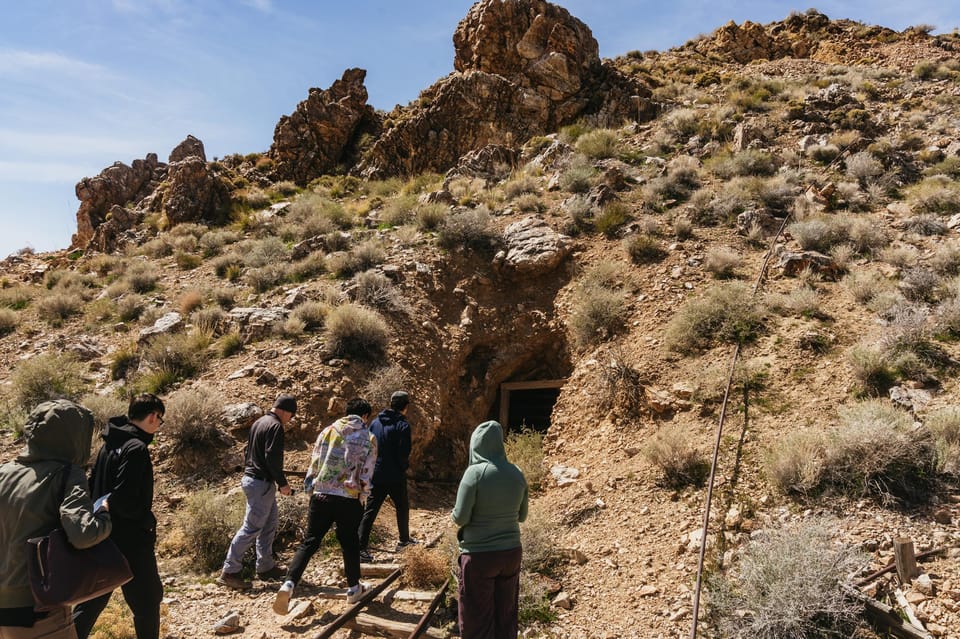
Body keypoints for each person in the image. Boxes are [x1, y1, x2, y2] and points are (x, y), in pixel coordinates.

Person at [0, 400, 113, 639]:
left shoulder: (4, 473)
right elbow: (83, 534)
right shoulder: (67, 474)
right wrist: (103, 514)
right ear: (75, 436)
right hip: (38, 605)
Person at [273, 398, 377, 614]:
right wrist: (363, 494)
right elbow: (367, 472)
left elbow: (315, 462)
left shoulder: (328, 430)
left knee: (310, 541)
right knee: (349, 543)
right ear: (365, 416)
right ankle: (354, 589)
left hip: (322, 496)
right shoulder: (369, 437)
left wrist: (311, 489)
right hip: (349, 498)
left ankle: (289, 584)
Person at [74, 393, 165, 639]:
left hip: (105, 535)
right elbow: (125, 497)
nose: (159, 425)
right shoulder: (136, 448)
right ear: (152, 416)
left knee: (93, 599)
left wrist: (102, 509)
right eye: (160, 419)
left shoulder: (110, 443)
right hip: (132, 540)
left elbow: (94, 487)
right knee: (147, 601)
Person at [451, 420, 528, 639]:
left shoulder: (474, 473)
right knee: (506, 614)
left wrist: (453, 513)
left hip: (479, 556)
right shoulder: (517, 473)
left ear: (476, 444)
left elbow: (460, 517)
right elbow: (522, 516)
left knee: (477, 618)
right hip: (512, 552)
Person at [217, 394, 297, 589]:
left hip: (256, 481)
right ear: (285, 411)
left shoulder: (259, 422)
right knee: (251, 528)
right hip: (261, 483)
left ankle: (265, 567)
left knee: (269, 523)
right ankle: (230, 571)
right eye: (291, 416)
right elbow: (272, 458)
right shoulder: (275, 426)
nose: (290, 420)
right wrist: (283, 483)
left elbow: (248, 452)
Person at [357, 390, 415, 561]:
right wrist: (403, 467)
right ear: (406, 406)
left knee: (371, 510)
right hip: (395, 475)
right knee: (402, 507)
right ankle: (403, 541)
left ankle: (361, 547)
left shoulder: (375, 423)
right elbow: (404, 452)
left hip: (377, 473)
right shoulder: (403, 425)